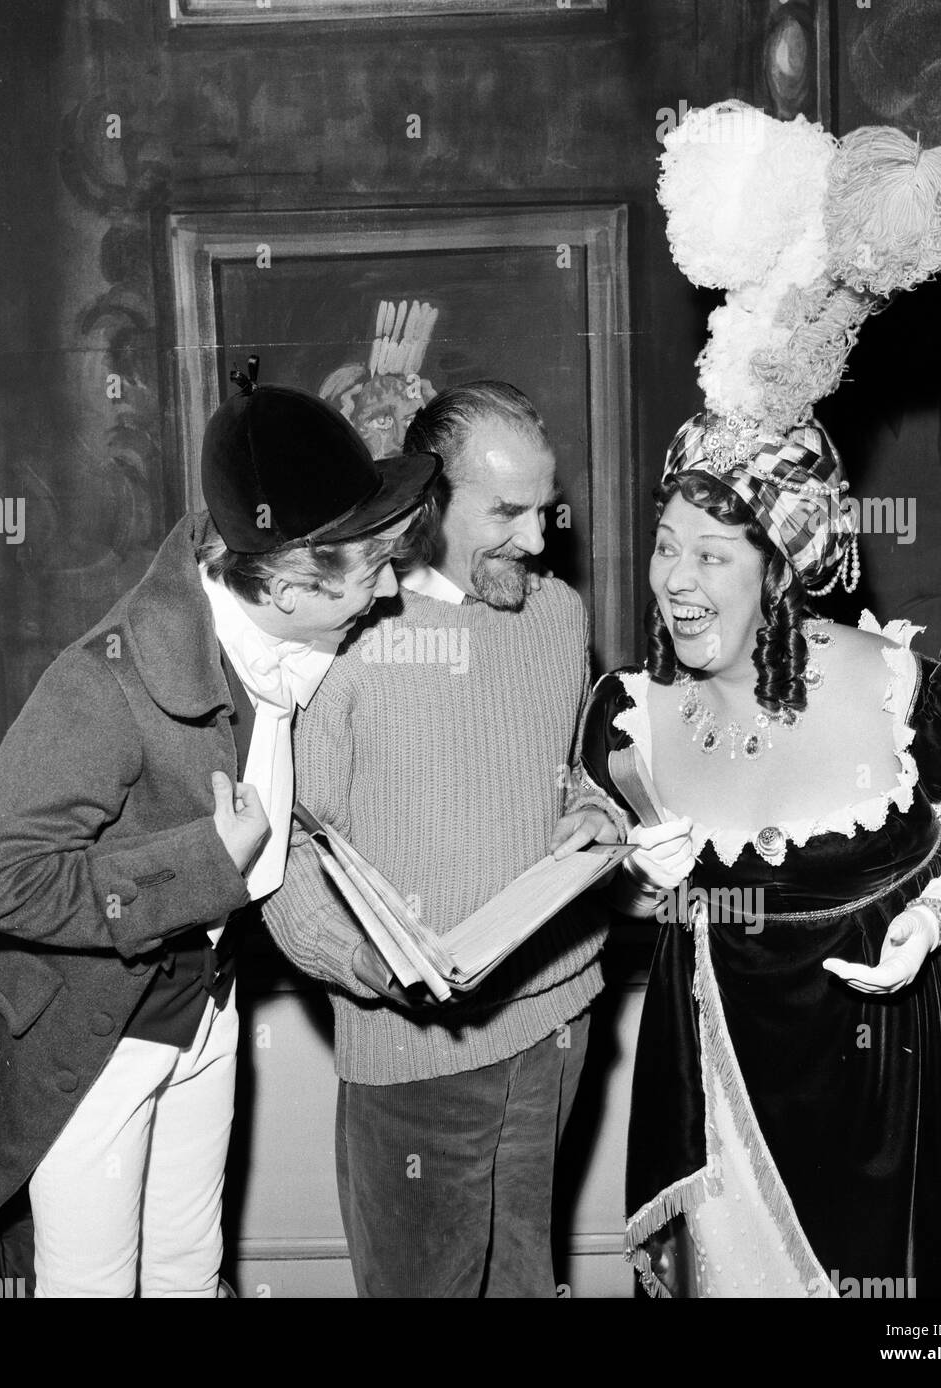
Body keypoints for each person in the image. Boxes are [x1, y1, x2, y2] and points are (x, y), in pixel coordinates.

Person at [579, 103, 941, 1297]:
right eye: (665, 545)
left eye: (711, 554)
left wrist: (932, 916)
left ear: (783, 565)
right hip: (727, 1098)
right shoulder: (626, 718)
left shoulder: (909, 691)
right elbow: (625, 893)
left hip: (906, 1082)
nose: (675, 580)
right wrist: (640, 867)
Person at [0, 359, 440, 1297]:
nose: (388, 591)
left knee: (191, 1271)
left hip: (206, 1008)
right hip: (96, 1035)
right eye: (370, 571)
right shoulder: (104, 681)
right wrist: (201, 863)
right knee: (93, 1284)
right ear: (288, 584)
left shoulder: (282, 646)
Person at [262, 380, 695, 1298]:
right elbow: (289, 850)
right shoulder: (345, 638)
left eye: (544, 510)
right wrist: (363, 962)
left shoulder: (558, 614)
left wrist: (595, 811)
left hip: (559, 1025)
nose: (536, 540)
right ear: (429, 503)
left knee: (526, 1281)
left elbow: (568, 770)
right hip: (414, 1046)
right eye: (506, 512)